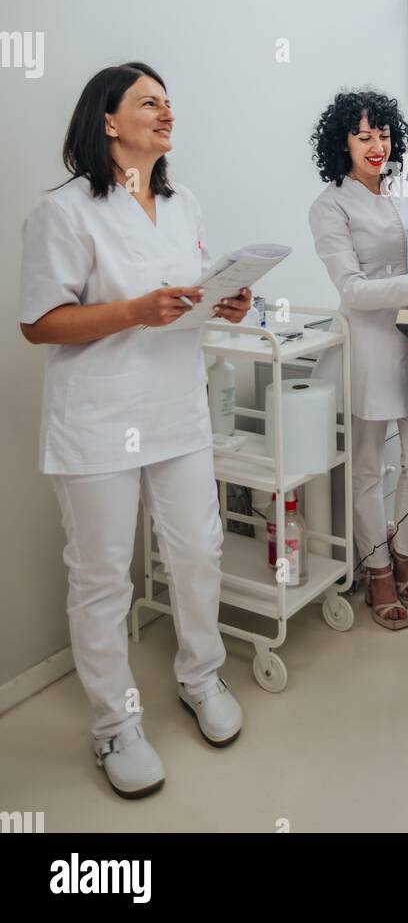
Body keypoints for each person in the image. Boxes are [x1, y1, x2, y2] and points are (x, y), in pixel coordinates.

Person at [19, 62, 251, 800]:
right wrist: (132, 310)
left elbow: (180, 300)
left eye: (169, 102)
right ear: (109, 122)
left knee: (197, 551)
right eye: (148, 102)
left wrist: (223, 304)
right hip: (97, 417)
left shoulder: (183, 204)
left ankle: (201, 675)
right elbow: (38, 322)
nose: (166, 112)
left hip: (174, 408)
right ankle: (115, 725)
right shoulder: (63, 211)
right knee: (101, 577)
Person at [309, 90, 408, 630]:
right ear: (341, 143)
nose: (377, 146)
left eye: (384, 135)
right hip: (365, 345)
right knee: (367, 467)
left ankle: (405, 550)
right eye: (363, 136)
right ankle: (377, 570)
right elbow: (350, 286)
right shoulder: (330, 206)